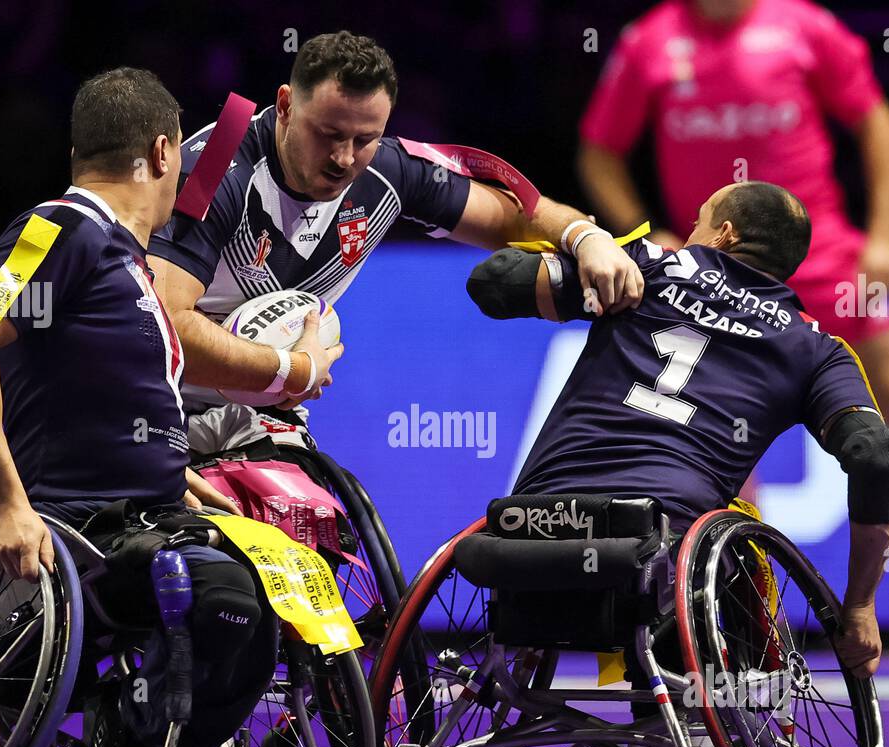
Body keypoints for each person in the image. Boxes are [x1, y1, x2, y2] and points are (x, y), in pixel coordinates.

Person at [576, 0, 889, 649]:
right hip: (718, 271)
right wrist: (653, 234)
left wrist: (887, 234)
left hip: (827, 262)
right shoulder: (649, 42)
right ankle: (753, 620)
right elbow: (599, 153)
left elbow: (876, 124)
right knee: (727, 444)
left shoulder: (804, 27)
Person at [0, 68, 342, 747]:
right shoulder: (58, 229)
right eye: (182, 157)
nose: (184, 176)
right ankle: (128, 738)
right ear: (160, 153)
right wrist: (7, 506)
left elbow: (97, 392)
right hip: (76, 537)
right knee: (232, 598)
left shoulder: (125, 263)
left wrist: (167, 471)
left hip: (141, 520)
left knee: (284, 574)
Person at [467, 181, 889, 677]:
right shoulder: (815, 347)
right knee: (726, 555)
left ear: (722, 234)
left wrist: (586, 245)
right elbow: (879, 459)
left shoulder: (642, 263)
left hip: (529, 526)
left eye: (698, 220)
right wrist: (859, 607)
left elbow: (494, 282)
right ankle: (698, 727)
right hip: (666, 552)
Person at [148, 30, 644, 465]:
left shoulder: (387, 171)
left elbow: (514, 215)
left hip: (262, 413)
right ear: (284, 105)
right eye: (329, 134)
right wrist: (292, 371)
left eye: (365, 138)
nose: (344, 158)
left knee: (323, 548)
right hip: (156, 411)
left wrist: (586, 237)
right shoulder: (214, 169)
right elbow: (164, 328)